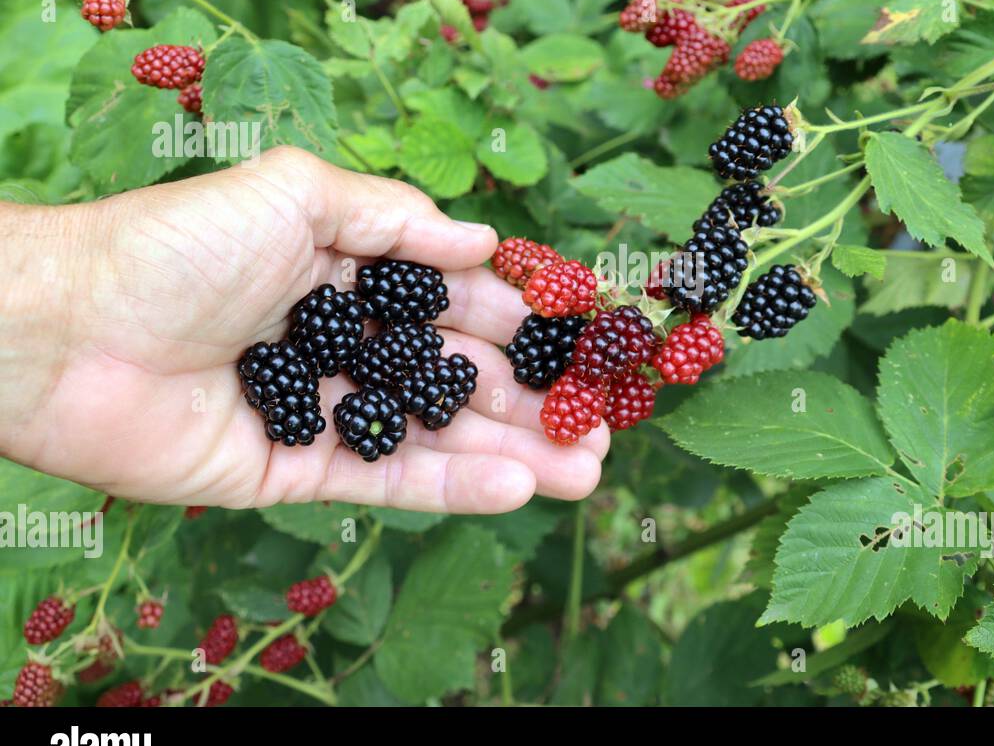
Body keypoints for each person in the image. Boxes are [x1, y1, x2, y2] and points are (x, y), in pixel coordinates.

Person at [0, 147, 608, 514]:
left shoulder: (360, 360)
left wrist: (65, 299)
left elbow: (357, 368)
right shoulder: (335, 353)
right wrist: (71, 293)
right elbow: (336, 367)